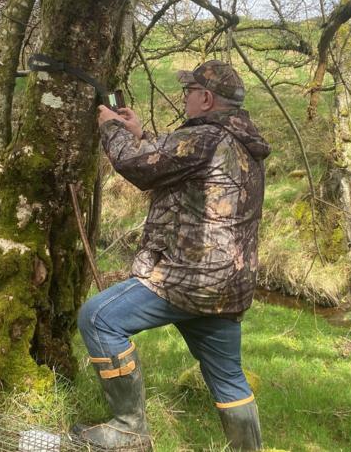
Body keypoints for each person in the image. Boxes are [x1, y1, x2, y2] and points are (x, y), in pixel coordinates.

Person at [74, 60, 270, 451]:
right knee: (228, 376)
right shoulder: (242, 143)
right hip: (228, 286)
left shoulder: (205, 137)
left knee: (98, 318)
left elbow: (139, 167)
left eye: (189, 91)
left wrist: (111, 127)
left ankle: (129, 429)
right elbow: (179, 165)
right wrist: (140, 133)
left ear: (207, 98)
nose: (185, 96)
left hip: (189, 280)